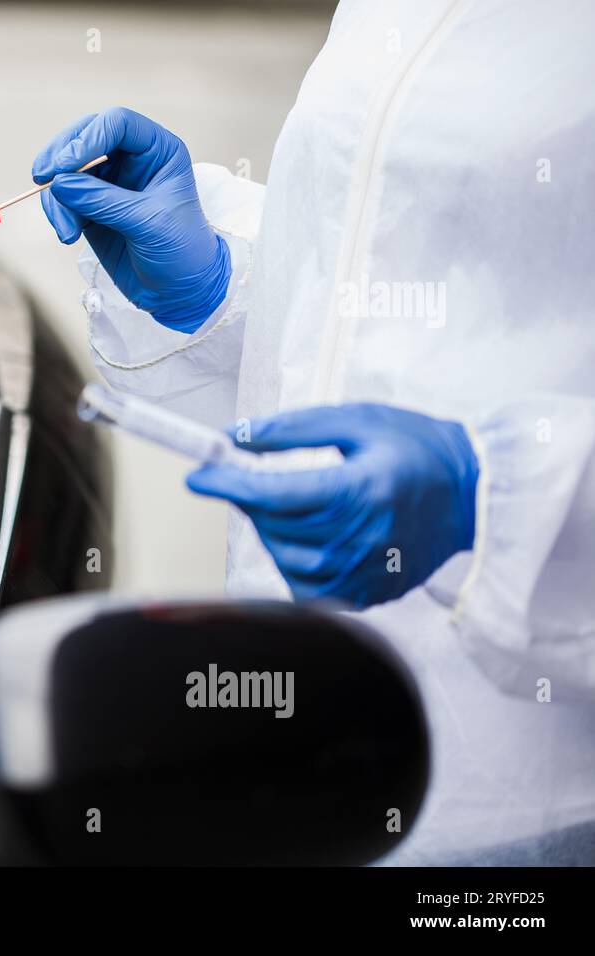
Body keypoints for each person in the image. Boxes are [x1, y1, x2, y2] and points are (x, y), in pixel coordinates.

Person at [32, 0, 595, 864]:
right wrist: (220, 285)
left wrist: (493, 494)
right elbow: (400, 267)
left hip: (517, 810)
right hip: (288, 754)